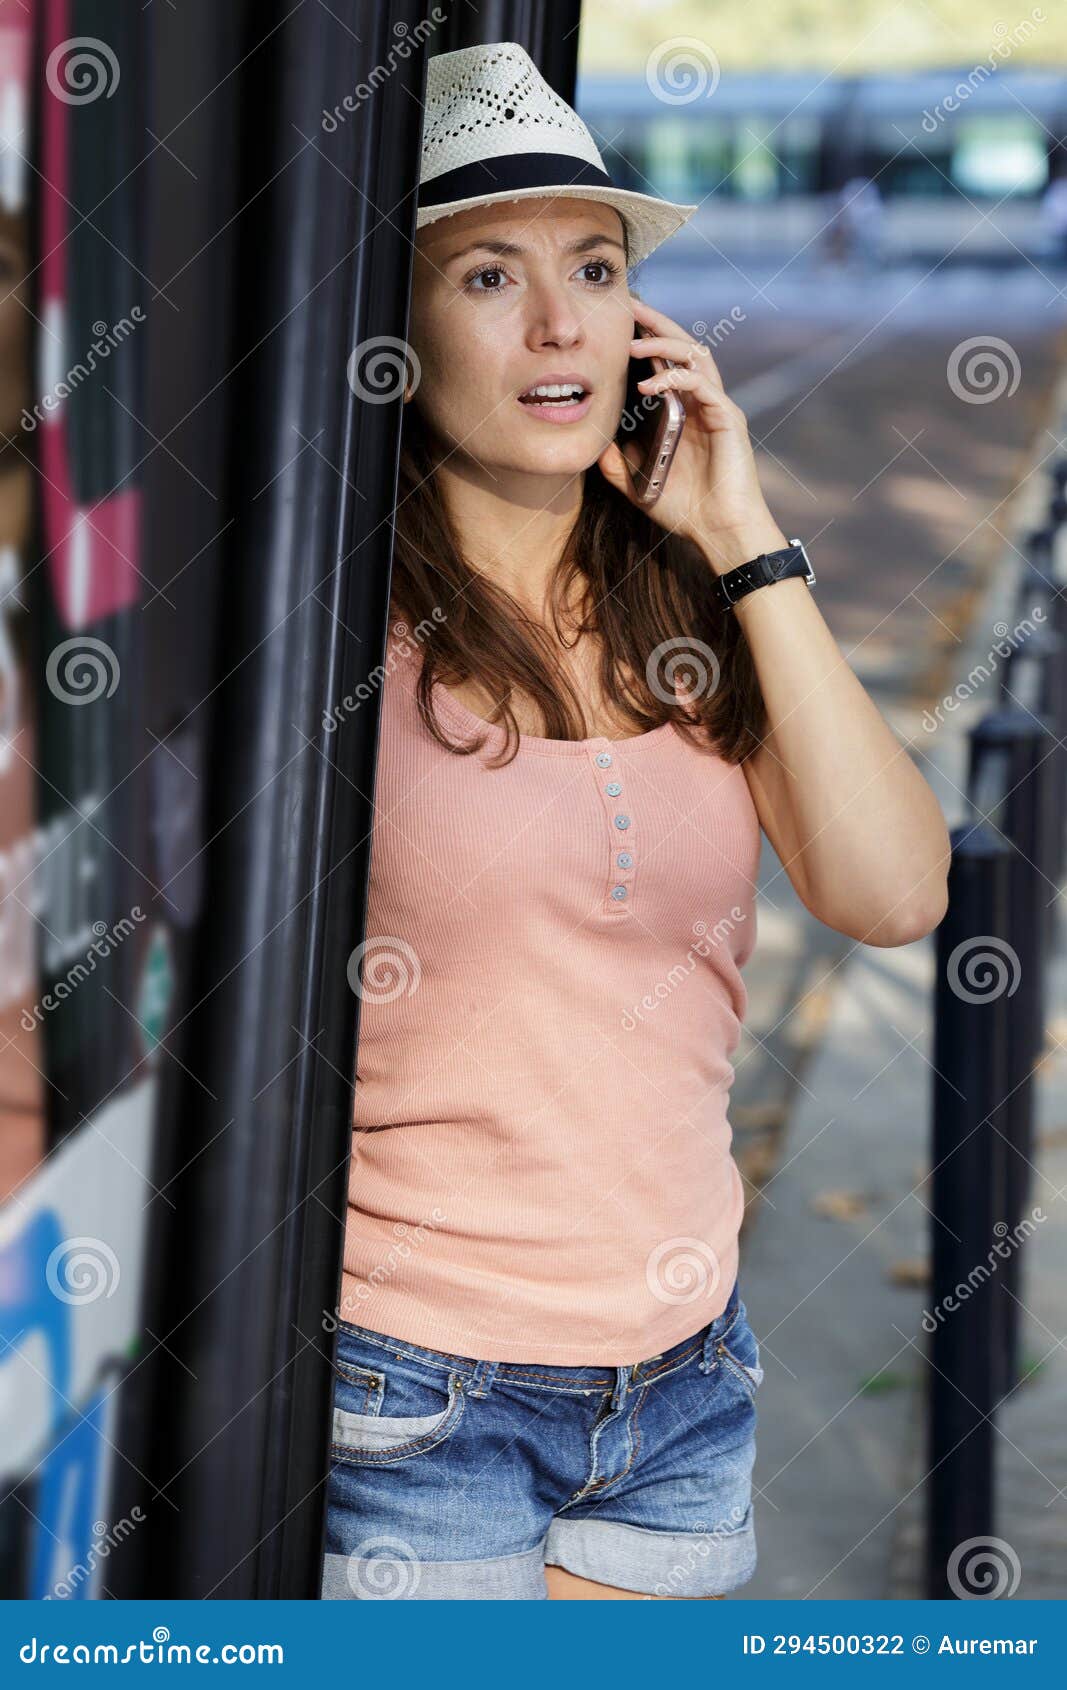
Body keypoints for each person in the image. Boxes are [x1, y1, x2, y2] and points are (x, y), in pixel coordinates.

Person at [321, 41, 951, 1603]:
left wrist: (745, 537)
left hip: (682, 1384)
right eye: (487, 275)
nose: (557, 323)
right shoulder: (340, 632)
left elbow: (890, 891)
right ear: (397, 330)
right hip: (416, 1392)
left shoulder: (692, 607)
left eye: (594, 269)